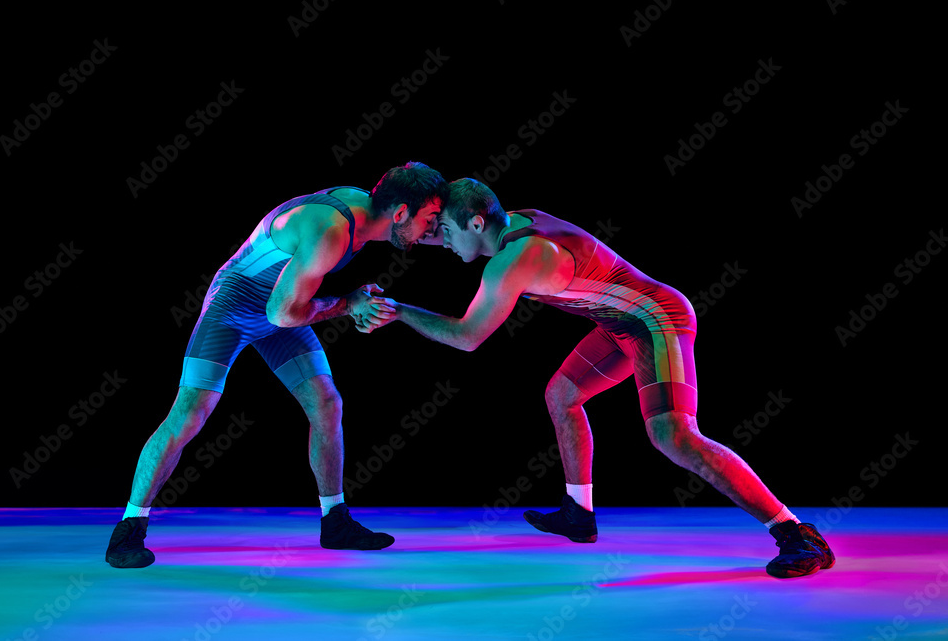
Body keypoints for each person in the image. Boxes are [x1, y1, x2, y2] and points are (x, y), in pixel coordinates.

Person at [367, 178, 835, 579]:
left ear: (474, 223)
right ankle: (578, 513)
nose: (440, 241)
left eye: (444, 230)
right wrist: (390, 226)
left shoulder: (517, 259)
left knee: (673, 436)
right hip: (619, 324)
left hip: (657, 319)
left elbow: (468, 337)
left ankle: (796, 534)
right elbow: (448, 235)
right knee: (562, 395)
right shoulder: (511, 222)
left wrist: (398, 311)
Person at [105, 162, 447, 568]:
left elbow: (285, 306)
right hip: (234, 308)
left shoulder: (367, 209)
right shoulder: (333, 230)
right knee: (189, 415)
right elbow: (282, 314)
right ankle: (128, 528)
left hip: (279, 306)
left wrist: (481, 234)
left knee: (326, 404)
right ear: (401, 212)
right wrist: (348, 304)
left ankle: (335, 521)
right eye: (431, 219)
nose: (433, 230)